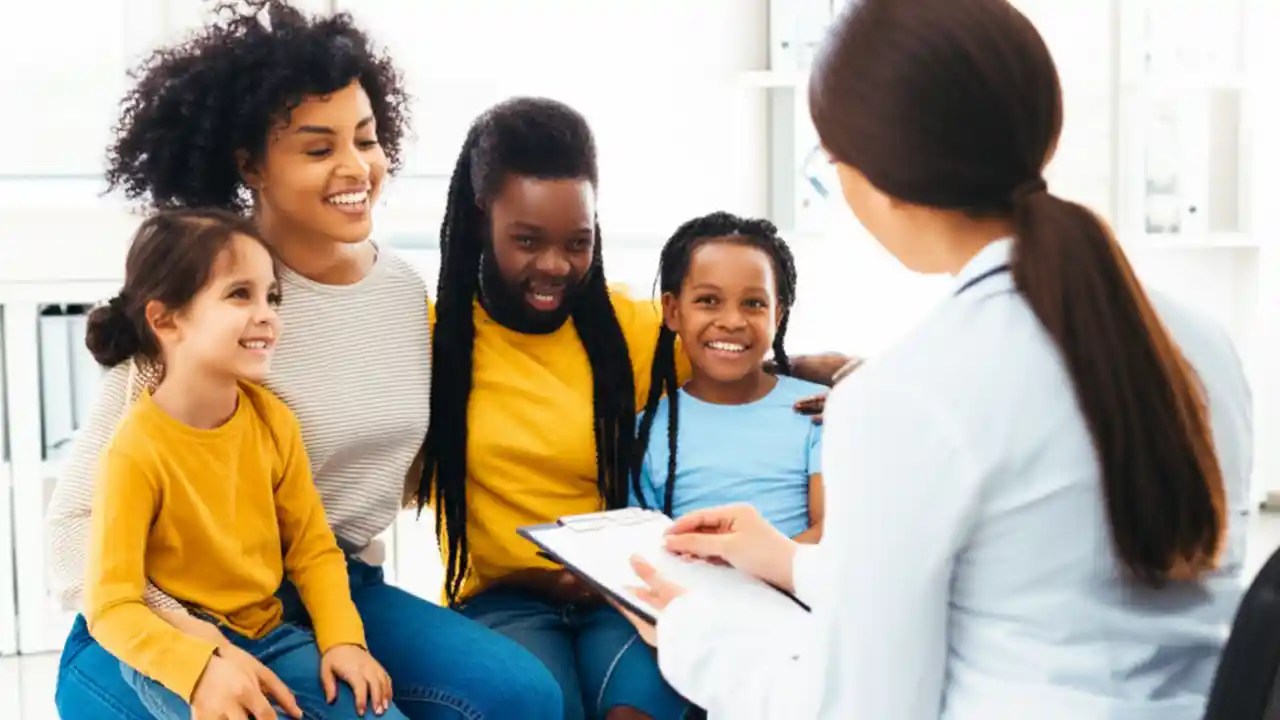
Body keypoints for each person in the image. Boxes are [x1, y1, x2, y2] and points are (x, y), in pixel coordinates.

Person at [619, 1, 1254, 718]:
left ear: (871, 176)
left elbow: (863, 709)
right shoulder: (1199, 342)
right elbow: (1029, 586)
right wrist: (790, 560)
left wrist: (696, 634)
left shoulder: (904, 396)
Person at [46, 3, 561, 719]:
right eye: (318, 149)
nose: (357, 168)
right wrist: (200, 653)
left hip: (328, 583)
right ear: (249, 164)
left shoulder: (401, 291)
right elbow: (77, 535)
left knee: (523, 698)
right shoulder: (197, 299)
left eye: (367, 139)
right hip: (162, 612)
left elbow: (401, 469)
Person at [418, 99, 844, 720]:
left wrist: (846, 373)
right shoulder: (442, 340)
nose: (555, 266)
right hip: (508, 598)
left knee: (640, 705)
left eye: (578, 242)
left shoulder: (630, 334)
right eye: (528, 240)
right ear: (485, 220)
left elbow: (734, 352)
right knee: (541, 704)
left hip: (620, 593)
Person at [84, 209, 404, 720]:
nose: (267, 314)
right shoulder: (134, 451)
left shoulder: (273, 422)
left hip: (272, 634)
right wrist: (197, 669)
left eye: (271, 296)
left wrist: (346, 641)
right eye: (240, 294)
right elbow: (111, 607)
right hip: (181, 651)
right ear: (165, 319)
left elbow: (314, 550)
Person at [631, 212, 824, 544]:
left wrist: (752, 572)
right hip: (688, 594)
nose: (732, 321)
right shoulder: (645, 430)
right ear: (673, 311)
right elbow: (646, 550)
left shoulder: (817, 411)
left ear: (778, 314)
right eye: (708, 301)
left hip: (800, 591)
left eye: (753, 303)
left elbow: (831, 535)